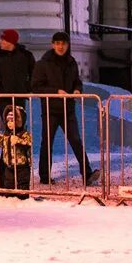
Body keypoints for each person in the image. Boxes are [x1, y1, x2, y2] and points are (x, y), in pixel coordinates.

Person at [31, 32, 99, 186]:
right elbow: (36, 86)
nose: (60, 46)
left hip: (68, 109)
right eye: (57, 43)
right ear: (52, 44)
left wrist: (77, 90)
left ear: (67, 45)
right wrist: (56, 92)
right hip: (51, 108)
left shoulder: (71, 62)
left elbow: (77, 81)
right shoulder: (43, 63)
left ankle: (87, 174)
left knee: (76, 141)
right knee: (47, 142)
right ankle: (44, 176)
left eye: (63, 43)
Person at [0, 104, 33, 199]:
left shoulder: (24, 134)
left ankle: (23, 198)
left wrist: (19, 141)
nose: (10, 124)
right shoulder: (6, 134)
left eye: (12, 121)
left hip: (22, 166)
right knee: (8, 182)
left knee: (22, 183)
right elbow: (3, 144)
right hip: (9, 165)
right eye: (8, 121)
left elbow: (28, 143)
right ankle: (9, 197)